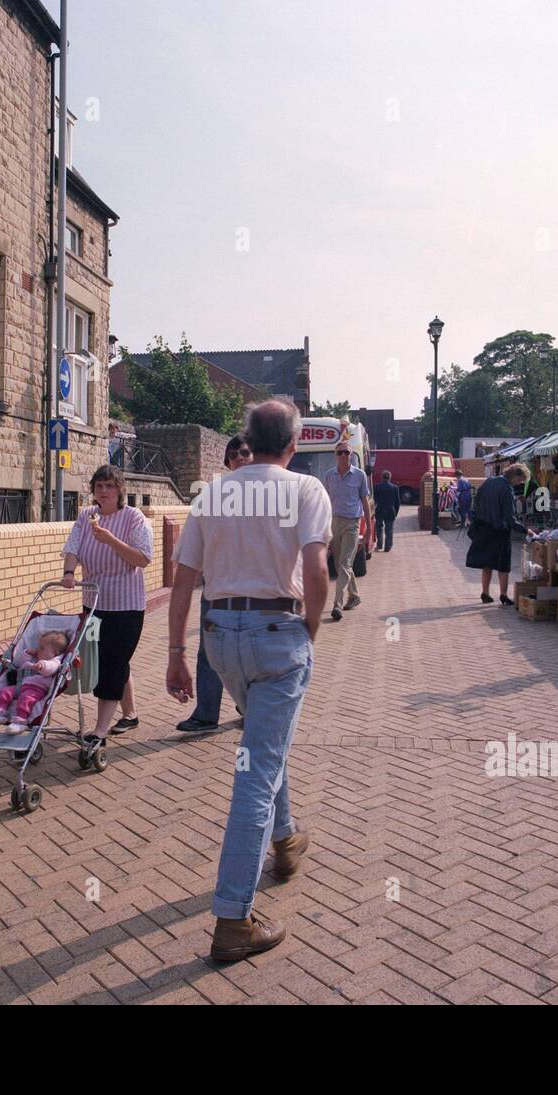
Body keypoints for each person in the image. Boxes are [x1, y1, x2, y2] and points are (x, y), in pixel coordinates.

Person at [166, 399, 331, 962]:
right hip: (276, 631)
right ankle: (233, 919)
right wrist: (307, 631)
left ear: (247, 439)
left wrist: (175, 652)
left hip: (220, 638)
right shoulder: (306, 490)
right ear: (292, 444)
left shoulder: (213, 492)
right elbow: (316, 571)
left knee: (261, 743)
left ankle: (285, 843)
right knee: (256, 772)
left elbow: (182, 579)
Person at [61, 465, 153, 758]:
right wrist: (68, 572)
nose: (103, 491)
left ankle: (99, 731)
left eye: (109, 486)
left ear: (120, 489)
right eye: (99, 486)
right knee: (109, 660)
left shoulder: (134, 518)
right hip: (93, 602)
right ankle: (130, 714)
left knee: (111, 664)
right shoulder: (86, 516)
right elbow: (74, 545)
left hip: (125, 605)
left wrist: (109, 539)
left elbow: (142, 559)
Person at [176, 435, 253, 733]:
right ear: (228, 463)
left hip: (253, 591)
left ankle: (250, 708)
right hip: (217, 587)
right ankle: (206, 714)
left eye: (246, 453)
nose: (241, 458)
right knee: (209, 651)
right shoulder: (211, 498)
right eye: (234, 455)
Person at [465, 463, 531, 606]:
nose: (519, 484)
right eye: (520, 481)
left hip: (483, 528)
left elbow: (476, 502)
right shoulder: (507, 489)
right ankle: (503, 594)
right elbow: (509, 518)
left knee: (486, 563)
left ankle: (485, 592)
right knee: (503, 565)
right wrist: (526, 530)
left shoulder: (489, 481)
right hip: (499, 531)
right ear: (516, 476)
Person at [321, 442, 372, 621]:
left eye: (346, 452)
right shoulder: (329, 475)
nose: (343, 455)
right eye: (340, 452)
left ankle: (337, 604)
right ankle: (355, 595)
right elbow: (325, 503)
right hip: (334, 522)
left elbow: (365, 503)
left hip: (352, 523)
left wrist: (369, 532)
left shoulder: (360, 475)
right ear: (335, 455)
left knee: (344, 563)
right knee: (339, 565)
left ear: (351, 454)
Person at [0, 630, 69, 731]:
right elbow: (20, 663)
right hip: (21, 685)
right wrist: (27, 654)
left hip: (37, 690)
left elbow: (51, 667)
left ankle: (20, 721)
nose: (38, 650)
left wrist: (42, 665)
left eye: (42, 648)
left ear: (55, 653)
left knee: (26, 699)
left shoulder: (55, 661)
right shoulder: (34, 658)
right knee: (5, 691)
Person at [372, 470, 401, 552]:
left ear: (382, 477)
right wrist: (396, 512)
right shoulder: (395, 488)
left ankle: (379, 544)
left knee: (379, 528)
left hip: (380, 510)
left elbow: (374, 500)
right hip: (390, 511)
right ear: (390, 478)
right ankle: (388, 546)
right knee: (389, 529)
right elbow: (397, 502)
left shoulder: (377, 486)